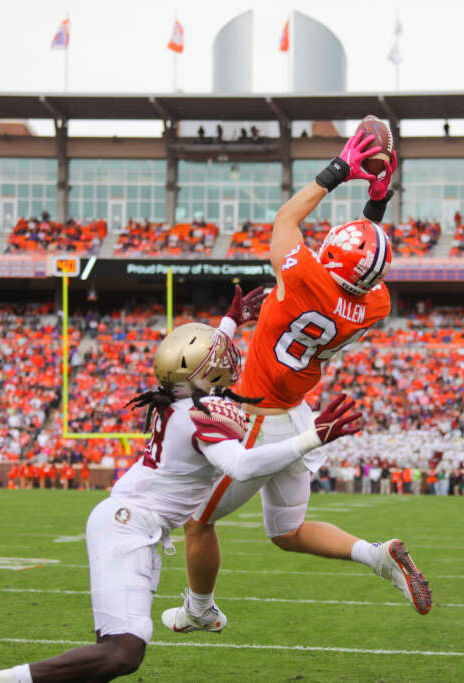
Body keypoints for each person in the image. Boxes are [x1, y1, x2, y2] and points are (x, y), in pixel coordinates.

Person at [0, 306, 362, 683]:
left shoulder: (179, 397)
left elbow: (197, 364)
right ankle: (1, 679)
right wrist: (310, 438)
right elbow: (241, 466)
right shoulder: (200, 415)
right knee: (122, 652)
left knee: (120, 652)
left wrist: (230, 321)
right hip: (129, 525)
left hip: (133, 524)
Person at [165, 128, 432, 636]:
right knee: (286, 532)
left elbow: (288, 218)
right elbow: (359, 262)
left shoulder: (305, 277)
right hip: (296, 414)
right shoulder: (375, 303)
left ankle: (199, 609)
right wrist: (377, 200)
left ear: (330, 258)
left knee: (198, 522)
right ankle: (377, 557)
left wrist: (340, 169)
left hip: (254, 418)